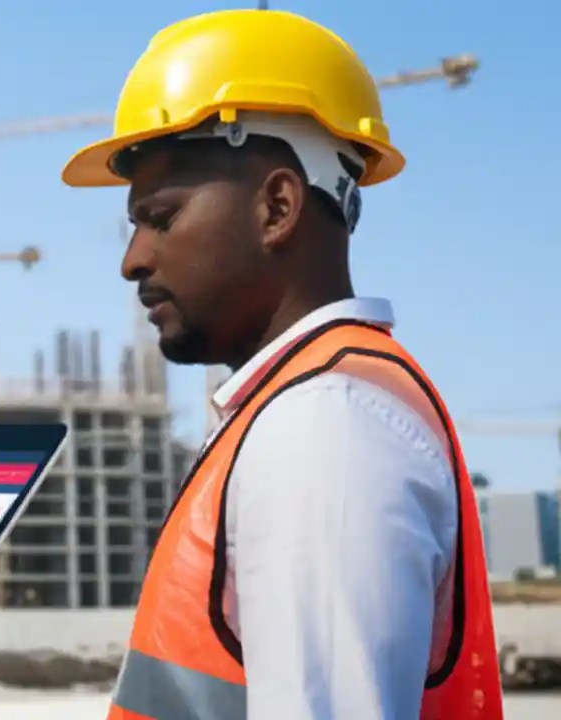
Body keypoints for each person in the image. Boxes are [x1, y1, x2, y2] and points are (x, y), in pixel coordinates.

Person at [60, 9, 503, 720]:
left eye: (161, 217)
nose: (132, 259)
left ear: (277, 207)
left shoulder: (324, 428)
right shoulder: (303, 409)